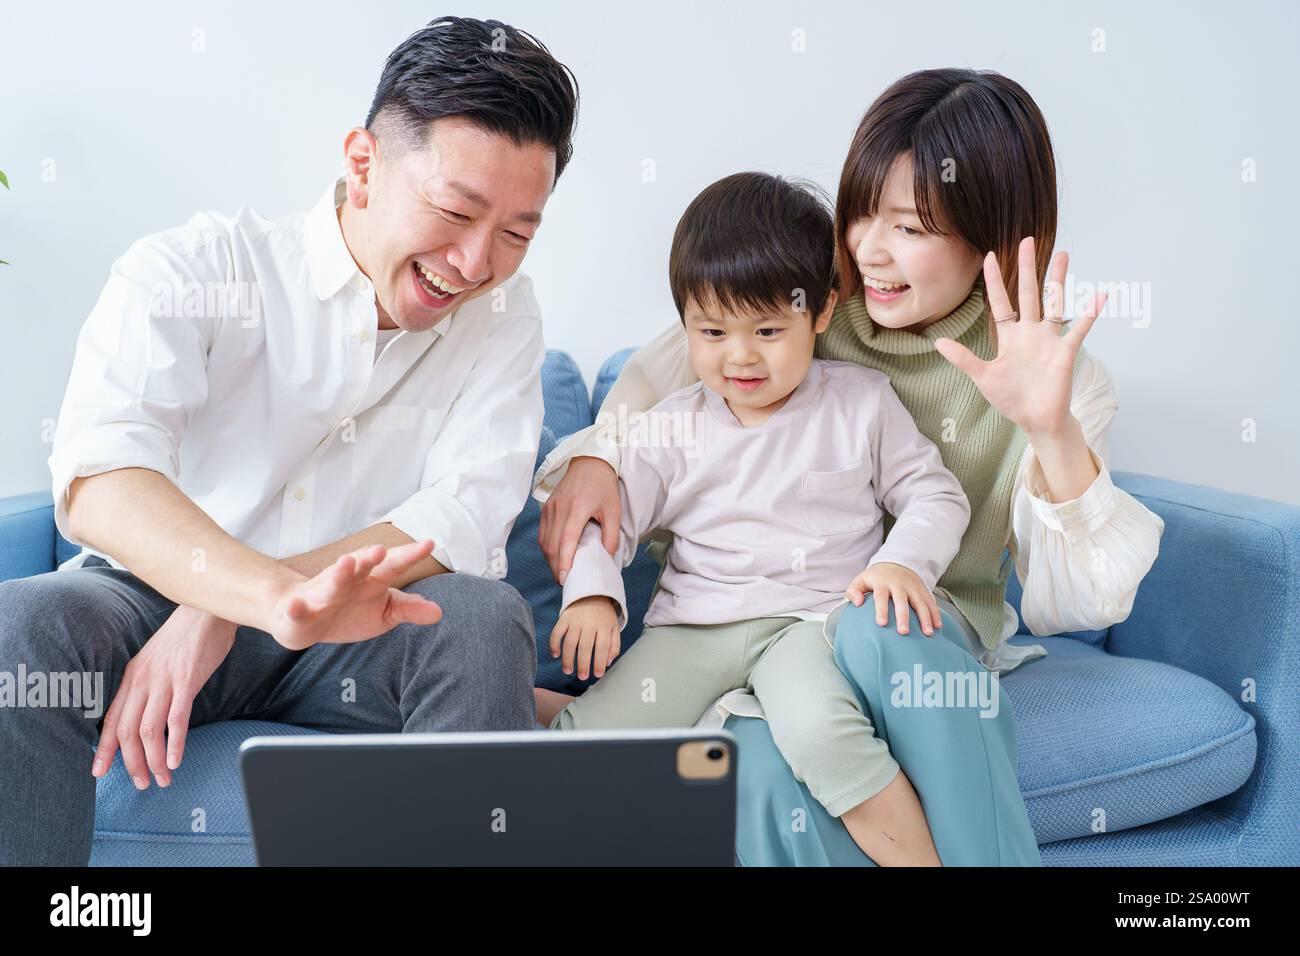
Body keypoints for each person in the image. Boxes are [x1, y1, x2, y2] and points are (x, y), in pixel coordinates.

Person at [534, 68, 1165, 865]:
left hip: (906, 629)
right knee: (753, 770)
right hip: (756, 628)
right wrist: (596, 461)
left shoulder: (1049, 367)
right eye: (862, 211)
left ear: (991, 234)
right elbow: (652, 404)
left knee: (876, 626)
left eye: (909, 226)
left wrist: (1050, 429)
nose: (870, 249)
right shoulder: (798, 303)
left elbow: (1085, 598)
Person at [0, 16, 579, 866]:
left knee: (483, 619)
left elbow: (463, 516)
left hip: (358, 627)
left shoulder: (503, 316)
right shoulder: (198, 267)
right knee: (21, 627)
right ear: (362, 164)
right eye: (456, 211)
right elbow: (102, 474)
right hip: (148, 606)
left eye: (518, 234)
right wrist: (241, 595)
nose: (474, 260)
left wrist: (233, 610)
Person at [536, 171, 972, 865]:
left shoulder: (862, 402)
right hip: (694, 628)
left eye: (768, 330)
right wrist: (592, 592)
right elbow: (607, 520)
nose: (740, 356)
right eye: (712, 331)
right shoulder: (673, 425)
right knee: (587, 747)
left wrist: (899, 562)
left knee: (824, 738)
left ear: (822, 311)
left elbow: (935, 495)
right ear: (683, 324)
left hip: (809, 625)